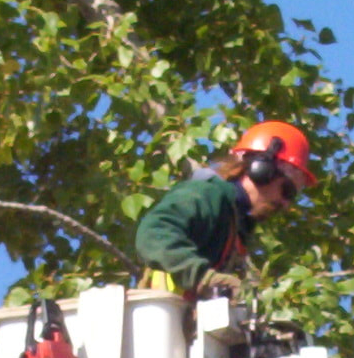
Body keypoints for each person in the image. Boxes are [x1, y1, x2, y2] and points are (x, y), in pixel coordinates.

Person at [135, 120, 316, 300]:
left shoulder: (237, 229)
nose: (285, 203)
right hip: (161, 318)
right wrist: (203, 278)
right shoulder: (207, 195)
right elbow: (154, 233)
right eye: (287, 191)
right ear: (261, 169)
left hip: (185, 324)